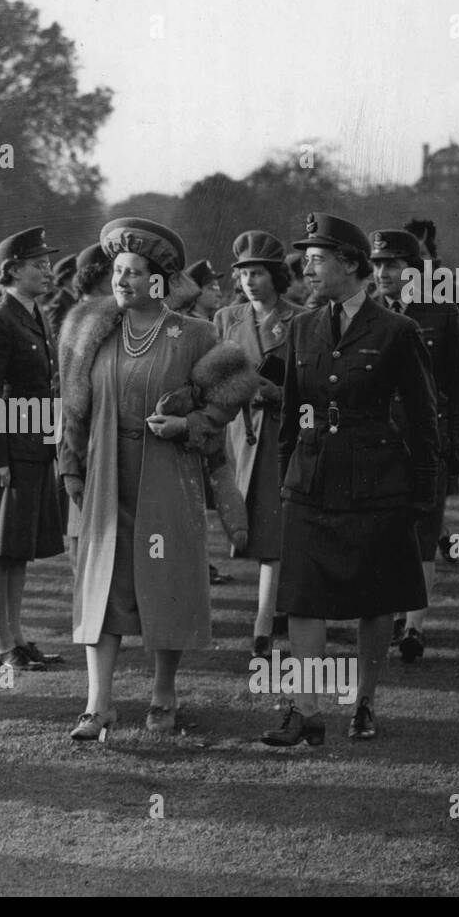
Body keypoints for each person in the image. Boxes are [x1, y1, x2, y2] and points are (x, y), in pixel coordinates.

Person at [59, 217, 255, 740]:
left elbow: (235, 389)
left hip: (168, 474)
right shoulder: (90, 327)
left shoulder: (194, 334)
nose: (121, 281)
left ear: (159, 281)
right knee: (101, 582)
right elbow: (72, 408)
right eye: (117, 271)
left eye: (133, 272)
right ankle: (97, 704)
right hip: (105, 474)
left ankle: (163, 693)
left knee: (165, 579)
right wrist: (70, 466)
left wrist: (190, 425)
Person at [264, 213, 439, 746]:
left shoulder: (398, 330)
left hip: (377, 481)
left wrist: (425, 491)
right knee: (303, 596)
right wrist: (287, 477)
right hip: (313, 480)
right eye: (306, 261)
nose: (307, 269)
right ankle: (306, 710)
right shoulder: (301, 328)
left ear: (350, 264)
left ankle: (364, 701)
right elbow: (292, 416)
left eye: (317, 260)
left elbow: (424, 416)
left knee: (376, 597)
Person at [370, 229, 459, 663]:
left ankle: (414, 627)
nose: (382, 273)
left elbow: (458, 387)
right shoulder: (364, 314)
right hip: (377, 444)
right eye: (376, 264)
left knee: (425, 535)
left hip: (428, 442)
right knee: (386, 535)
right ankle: (393, 612)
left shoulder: (442, 314)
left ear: (414, 269)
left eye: (392, 264)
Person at [0, 227, 66, 672]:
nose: (47, 271)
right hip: (9, 450)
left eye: (48, 263)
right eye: (37, 265)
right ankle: (0, 642)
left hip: (32, 445)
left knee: (18, 548)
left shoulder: (32, 315)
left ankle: (17, 636)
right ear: (12, 271)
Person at [215, 231, 298, 657]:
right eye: (244, 273)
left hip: (279, 438)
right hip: (236, 437)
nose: (250, 281)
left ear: (276, 276)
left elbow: (309, 388)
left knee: (273, 534)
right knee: (239, 526)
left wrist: (277, 394)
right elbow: (211, 376)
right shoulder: (227, 319)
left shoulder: (300, 319)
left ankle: (263, 624)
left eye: (258, 272)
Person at [43, 252, 78, 338]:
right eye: (76, 275)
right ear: (66, 279)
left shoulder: (74, 298)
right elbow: (55, 335)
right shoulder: (58, 304)